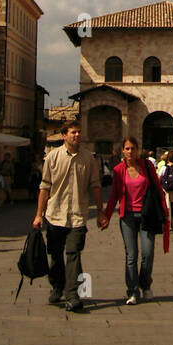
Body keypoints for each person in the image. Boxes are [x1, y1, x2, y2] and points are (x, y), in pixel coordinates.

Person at [33, 120, 102, 313]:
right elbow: (45, 187)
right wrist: (39, 214)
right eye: (73, 132)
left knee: (73, 254)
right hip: (55, 214)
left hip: (78, 216)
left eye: (79, 132)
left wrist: (101, 211)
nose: (77, 136)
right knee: (55, 255)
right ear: (64, 135)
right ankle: (57, 286)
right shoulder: (53, 157)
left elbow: (95, 185)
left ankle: (72, 295)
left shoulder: (88, 158)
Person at [100, 137, 169, 304]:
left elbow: (158, 189)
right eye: (127, 148)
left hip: (147, 215)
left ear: (137, 150)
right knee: (131, 256)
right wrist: (106, 216)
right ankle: (132, 290)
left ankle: (145, 284)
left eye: (133, 148)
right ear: (122, 151)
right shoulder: (118, 170)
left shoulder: (147, 166)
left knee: (148, 253)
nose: (130, 152)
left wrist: (165, 212)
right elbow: (114, 195)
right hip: (128, 217)